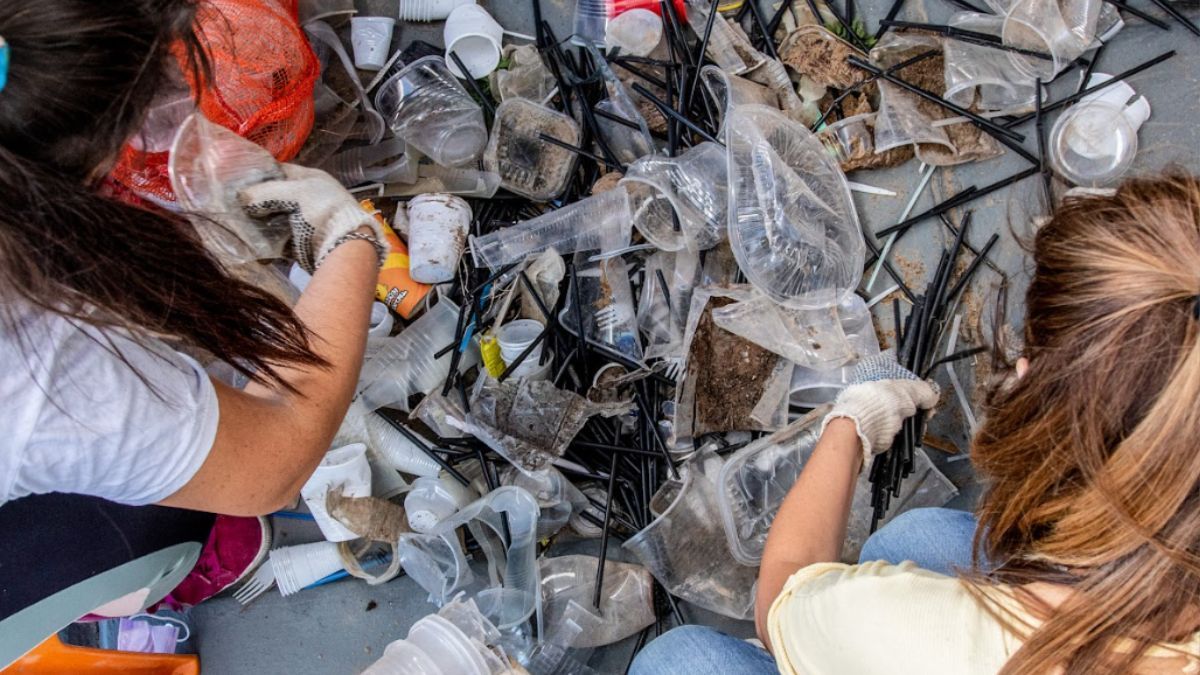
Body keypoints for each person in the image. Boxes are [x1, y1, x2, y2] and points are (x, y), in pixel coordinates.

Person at [633, 176, 1200, 675]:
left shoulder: (941, 638)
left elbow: (782, 596)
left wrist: (851, 422)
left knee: (679, 660)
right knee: (915, 537)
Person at [0, 0, 385, 623]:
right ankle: (130, 581)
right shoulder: (39, 362)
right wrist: (351, 243)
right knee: (160, 518)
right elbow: (274, 464)